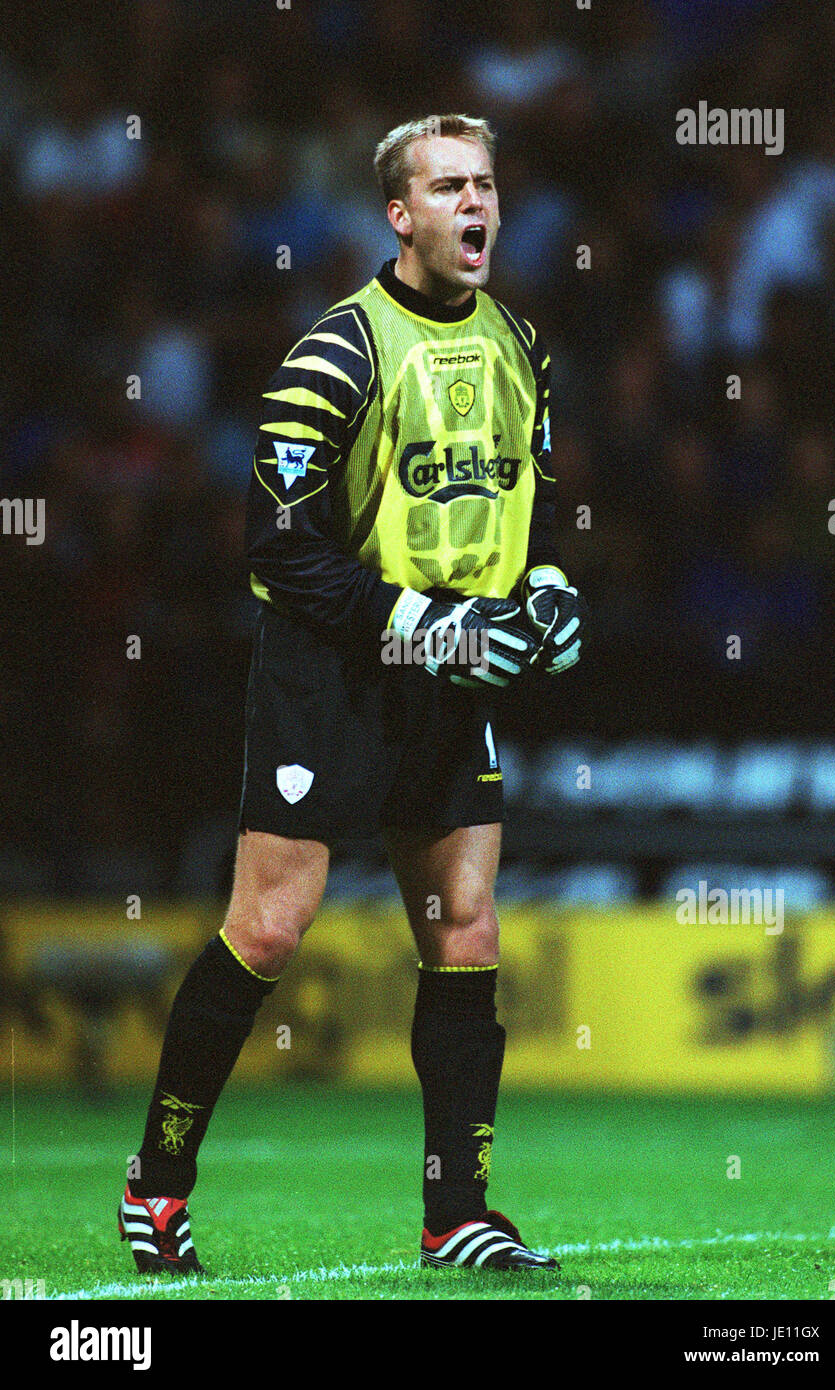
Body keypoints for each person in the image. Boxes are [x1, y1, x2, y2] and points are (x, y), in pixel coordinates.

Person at [119, 113, 586, 1275]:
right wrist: (415, 621)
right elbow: (274, 548)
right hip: (330, 666)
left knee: (463, 927)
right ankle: (157, 1185)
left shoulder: (524, 346)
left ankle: (455, 1214)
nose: (474, 206)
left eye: (483, 185)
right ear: (399, 214)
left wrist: (544, 588)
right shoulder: (334, 353)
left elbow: (519, 503)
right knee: (270, 925)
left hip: (451, 662)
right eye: (446, 188)